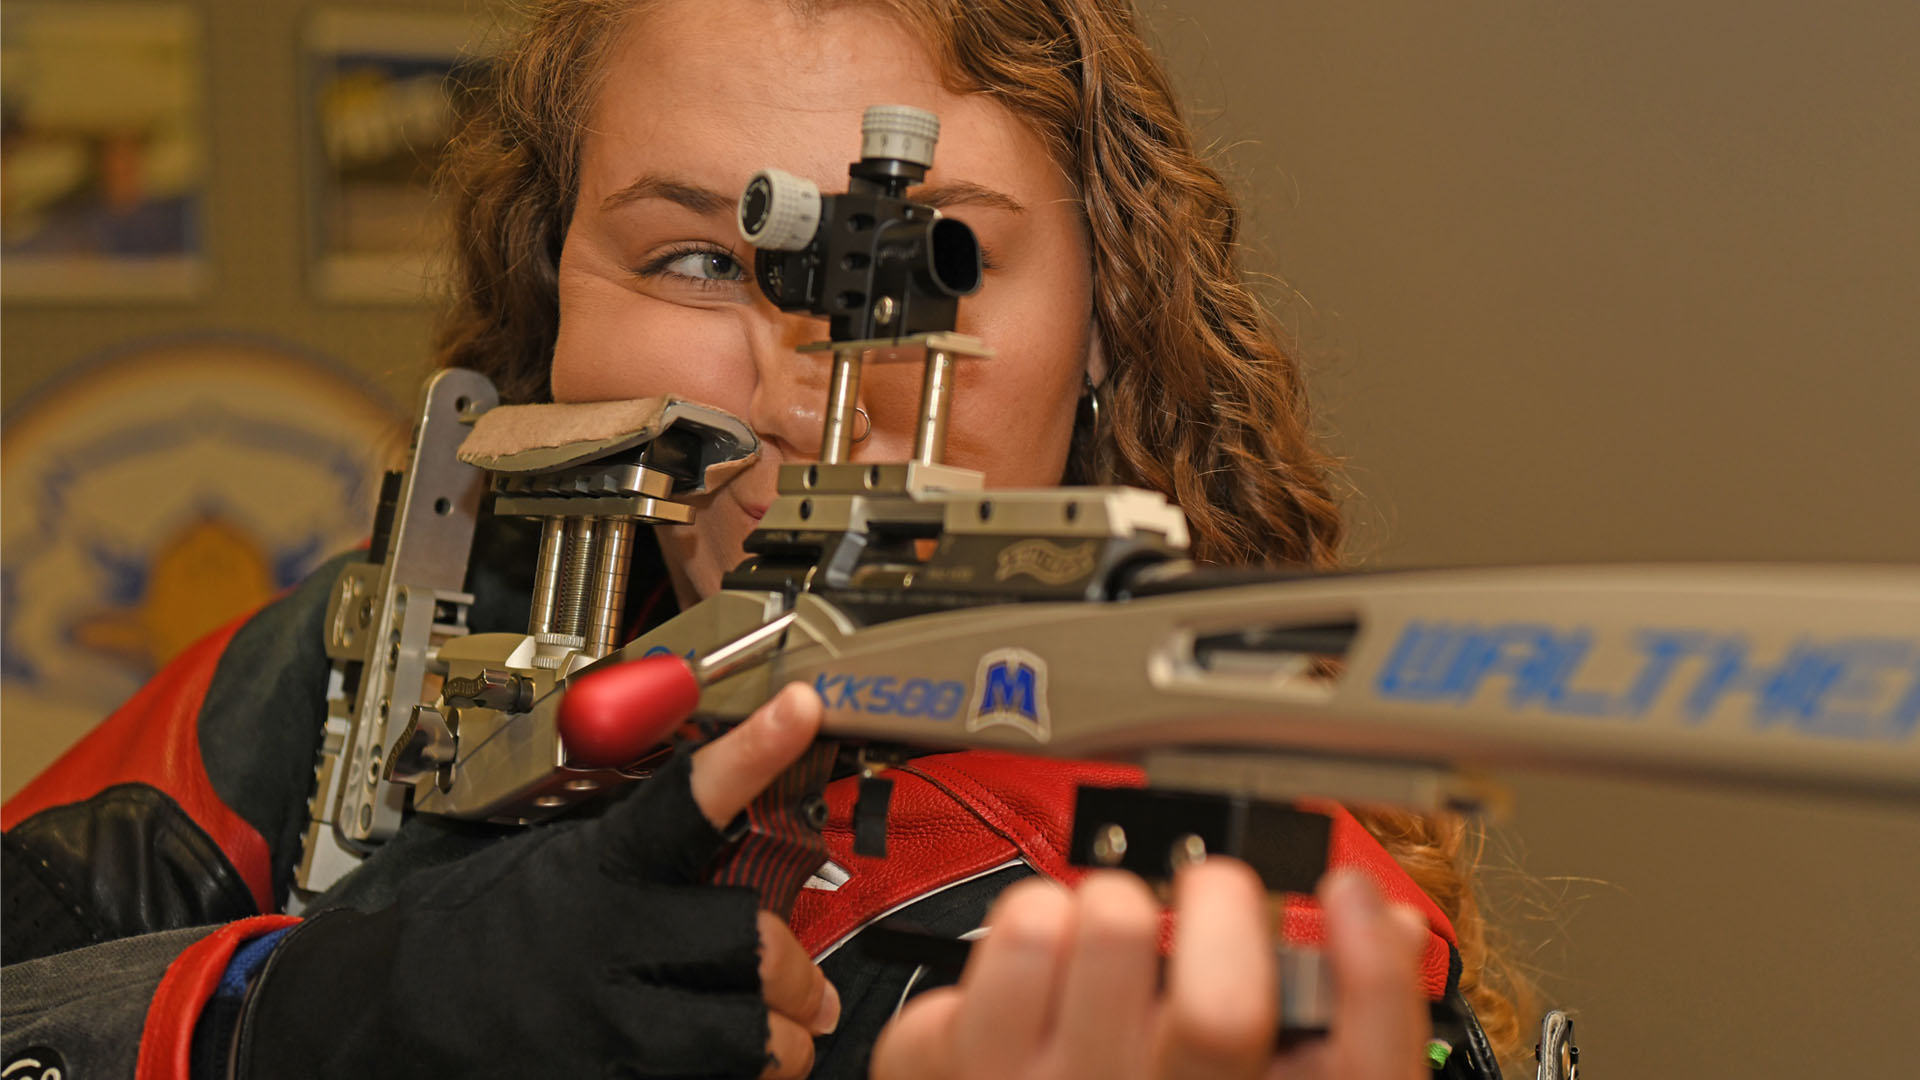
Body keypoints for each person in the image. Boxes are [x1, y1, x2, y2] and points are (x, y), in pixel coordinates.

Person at [1, 1, 1531, 1077]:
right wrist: (297, 1014)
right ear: (552, 315)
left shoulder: (1250, 886)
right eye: (689, 260)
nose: (813, 400)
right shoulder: (368, 671)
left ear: (1107, 319)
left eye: (949, 270)